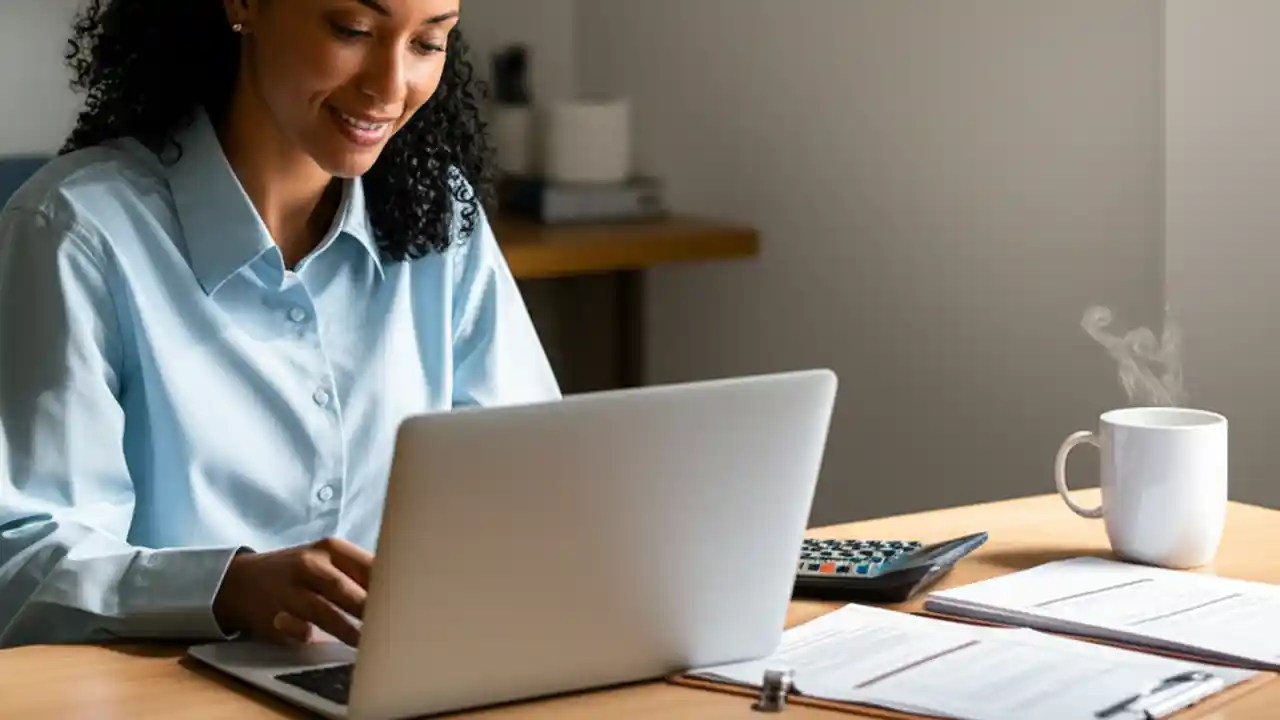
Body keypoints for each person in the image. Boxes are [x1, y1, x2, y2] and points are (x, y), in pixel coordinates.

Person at [0, 0, 559, 649]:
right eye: (353, 30)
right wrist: (225, 588)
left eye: (428, 43)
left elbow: (535, 486)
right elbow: (20, 560)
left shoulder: (441, 218)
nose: (389, 87)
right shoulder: (76, 232)